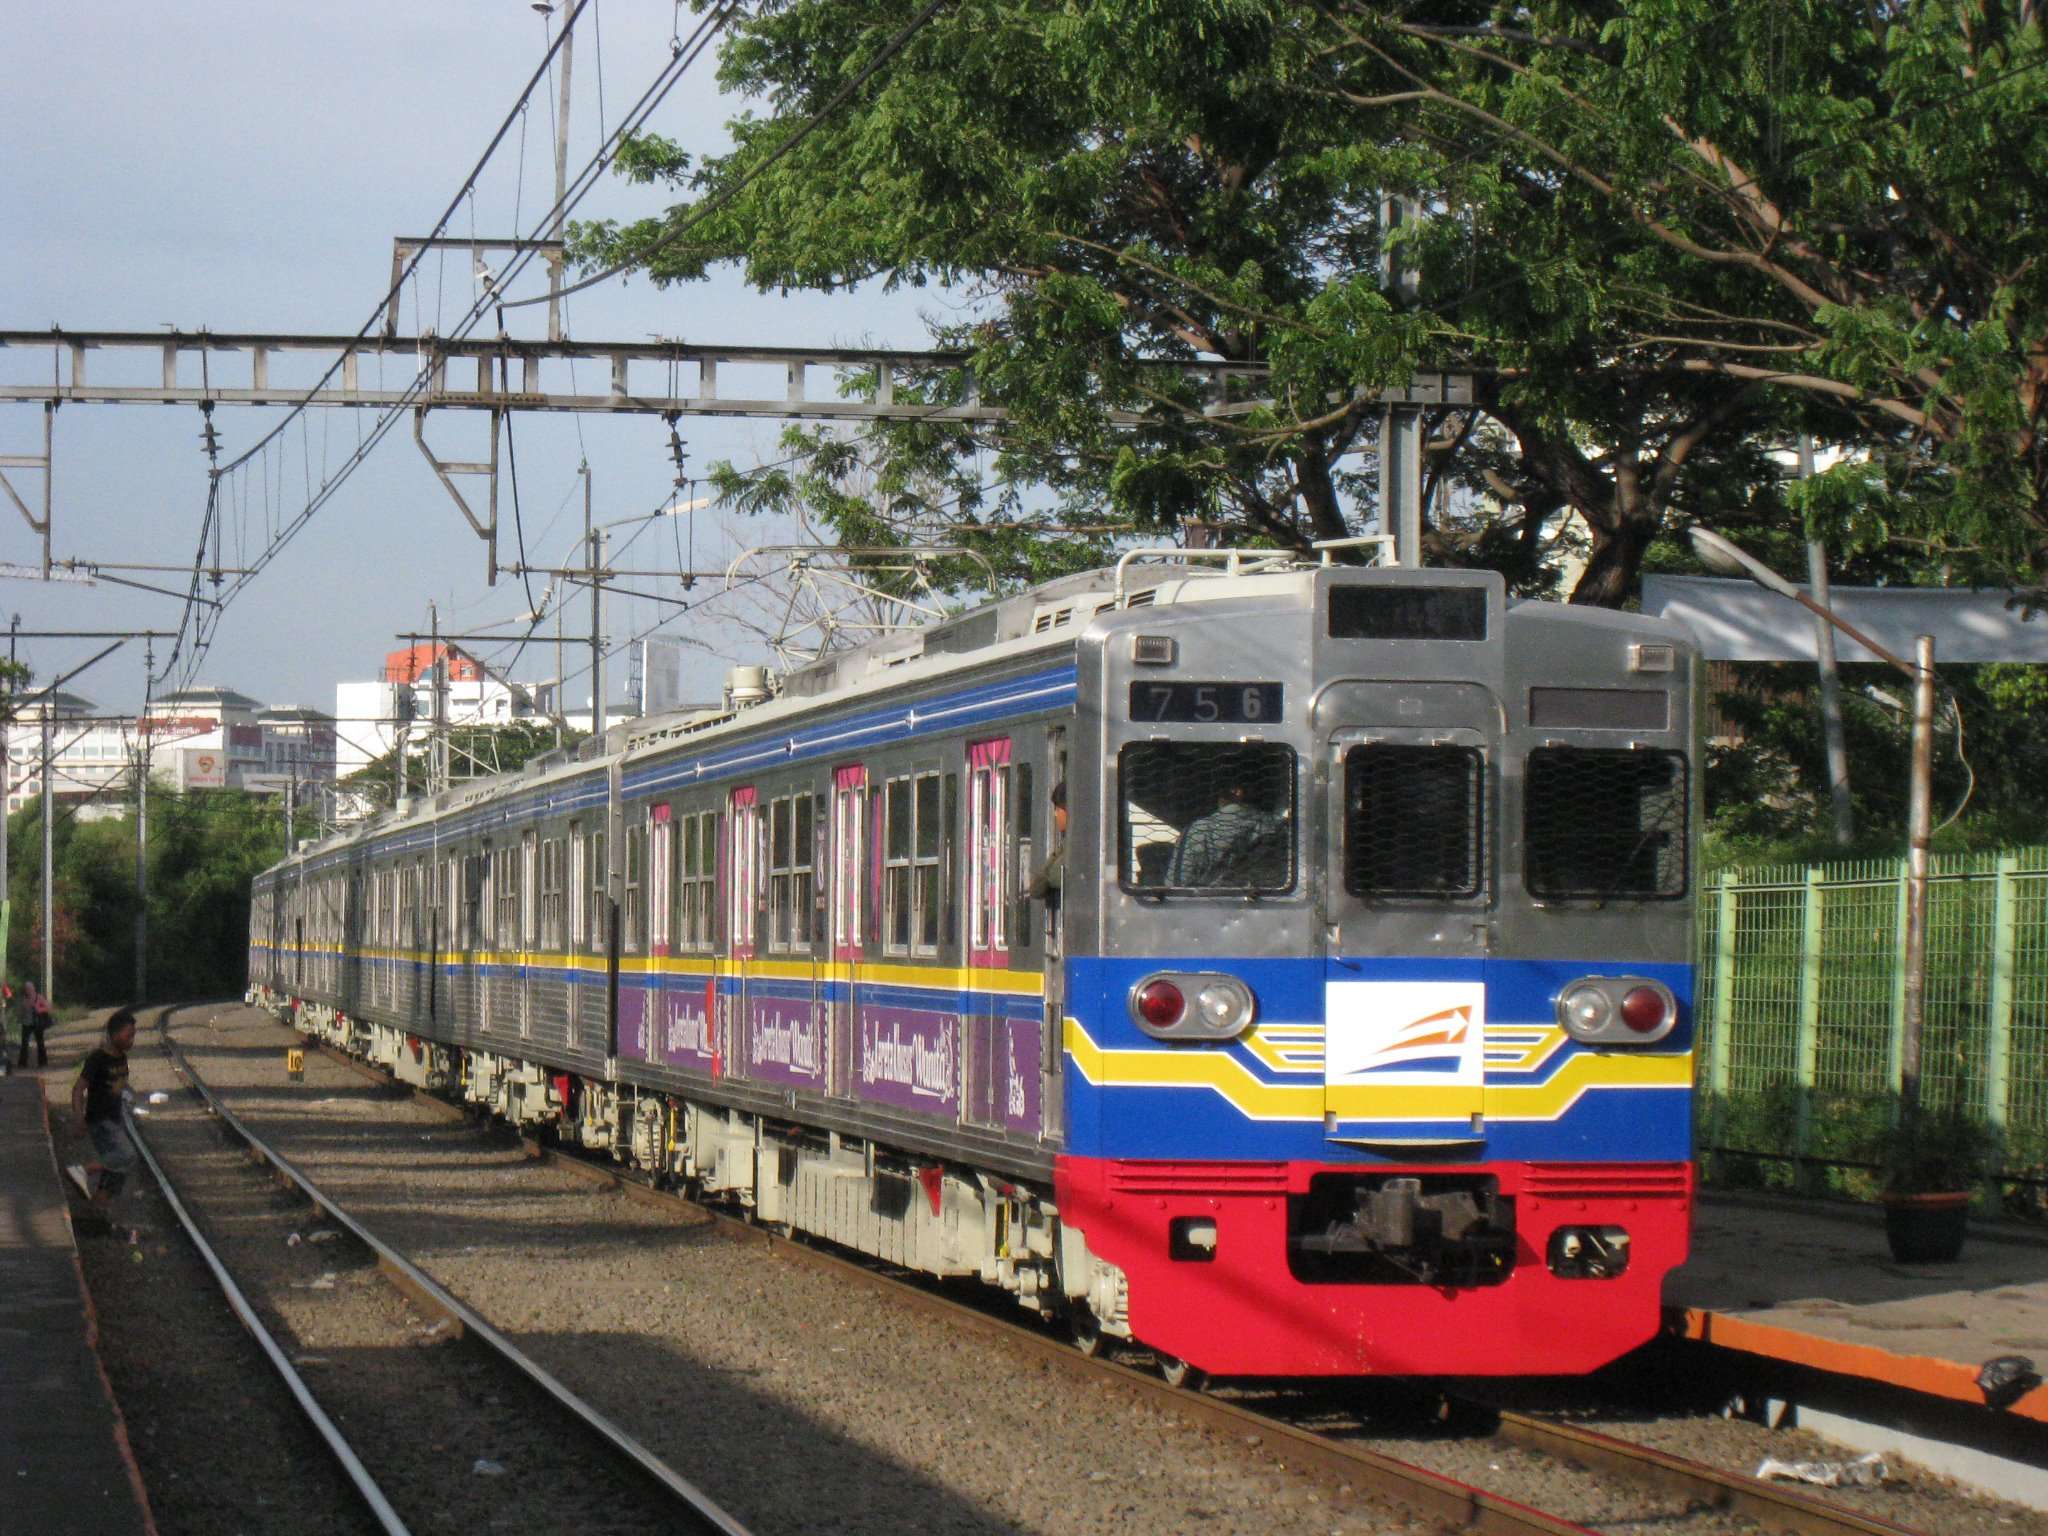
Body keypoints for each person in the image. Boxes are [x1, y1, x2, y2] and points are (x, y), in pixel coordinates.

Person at [1168, 771, 1286, 887]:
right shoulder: (1279, 827)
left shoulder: (1196, 829)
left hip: (1206, 903)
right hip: (1262, 902)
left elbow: (1177, 883)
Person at [70, 1008, 139, 1207]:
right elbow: (78, 1089)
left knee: (117, 1172)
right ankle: (83, 1170)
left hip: (115, 1118)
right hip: (100, 1119)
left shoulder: (121, 1058)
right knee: (126, 1155)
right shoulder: (97, 1059)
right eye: (129, 1035)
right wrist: (78, 1117)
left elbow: (119, 1086)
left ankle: (96, 1209)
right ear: (115, 1034)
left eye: (133, 1035)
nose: (132, 1040)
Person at [1027, 781, 1067, 910]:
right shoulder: (1064, 846)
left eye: (1057, 809)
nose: (1055, 814)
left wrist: (1046, 876)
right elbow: (1035, 889)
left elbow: (1055, 875)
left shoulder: (1073, 846)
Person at [16, 980, 51, 1069]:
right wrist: (19, 1019)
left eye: (29, 988)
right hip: (26, 1023)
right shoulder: (23, 999)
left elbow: (48, 1007)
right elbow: (21, 1011)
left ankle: (43, 1062)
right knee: (24, 1043)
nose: (28, 990)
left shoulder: (39, 997)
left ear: (33, 988)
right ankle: (22, 1063)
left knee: (40, 1043)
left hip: (37, 1023)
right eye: (26, 989)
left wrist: (38, 1009)